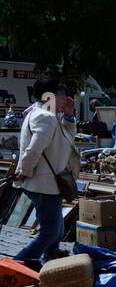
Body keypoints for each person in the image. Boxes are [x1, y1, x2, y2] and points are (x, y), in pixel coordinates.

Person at [13, 77, 78, 269]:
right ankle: (15, 264)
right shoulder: (45, 117)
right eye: (62, 95)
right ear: (49, 96)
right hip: (43, 184)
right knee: (50, 232)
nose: (66, 99)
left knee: (56, 231)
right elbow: (33, 150)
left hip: (47, 183)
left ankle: (49, 265)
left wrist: (69, 115)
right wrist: (24, 171)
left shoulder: (43, 113)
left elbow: (67, 140)